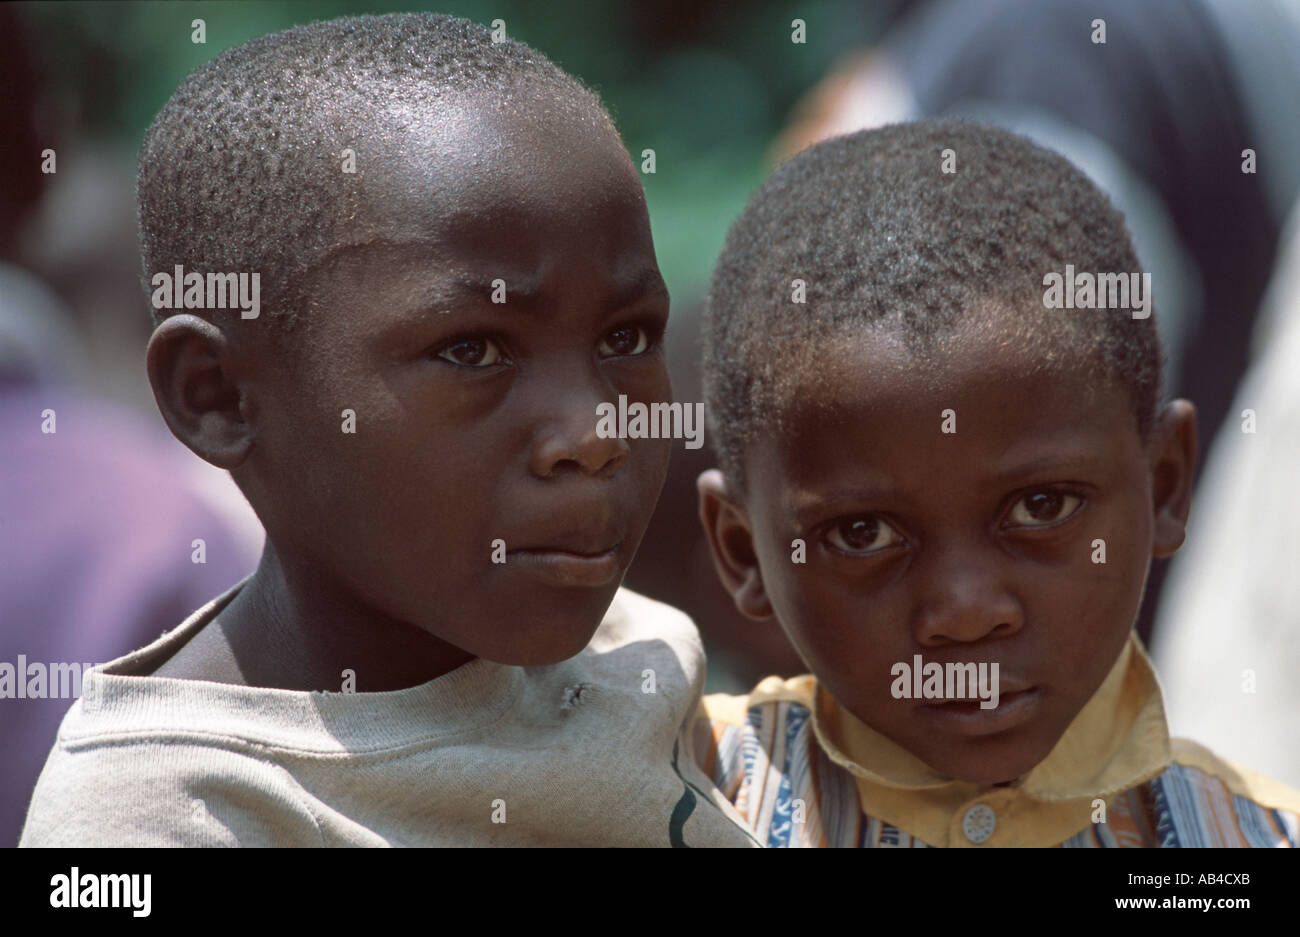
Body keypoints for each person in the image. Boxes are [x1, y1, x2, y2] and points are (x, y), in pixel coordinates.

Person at [21, 12, 756, 848]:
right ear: (218, 396)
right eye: (474, 349)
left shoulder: (644, 658)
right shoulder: (170, 815)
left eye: (624, 339)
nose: (595, 433)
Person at [691, 119, 1300, 847]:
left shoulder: (1247, 844)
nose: (966, 611)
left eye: (1041, 507)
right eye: (863, 534)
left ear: (1165, 484)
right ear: (744, 551)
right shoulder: (659, 806)